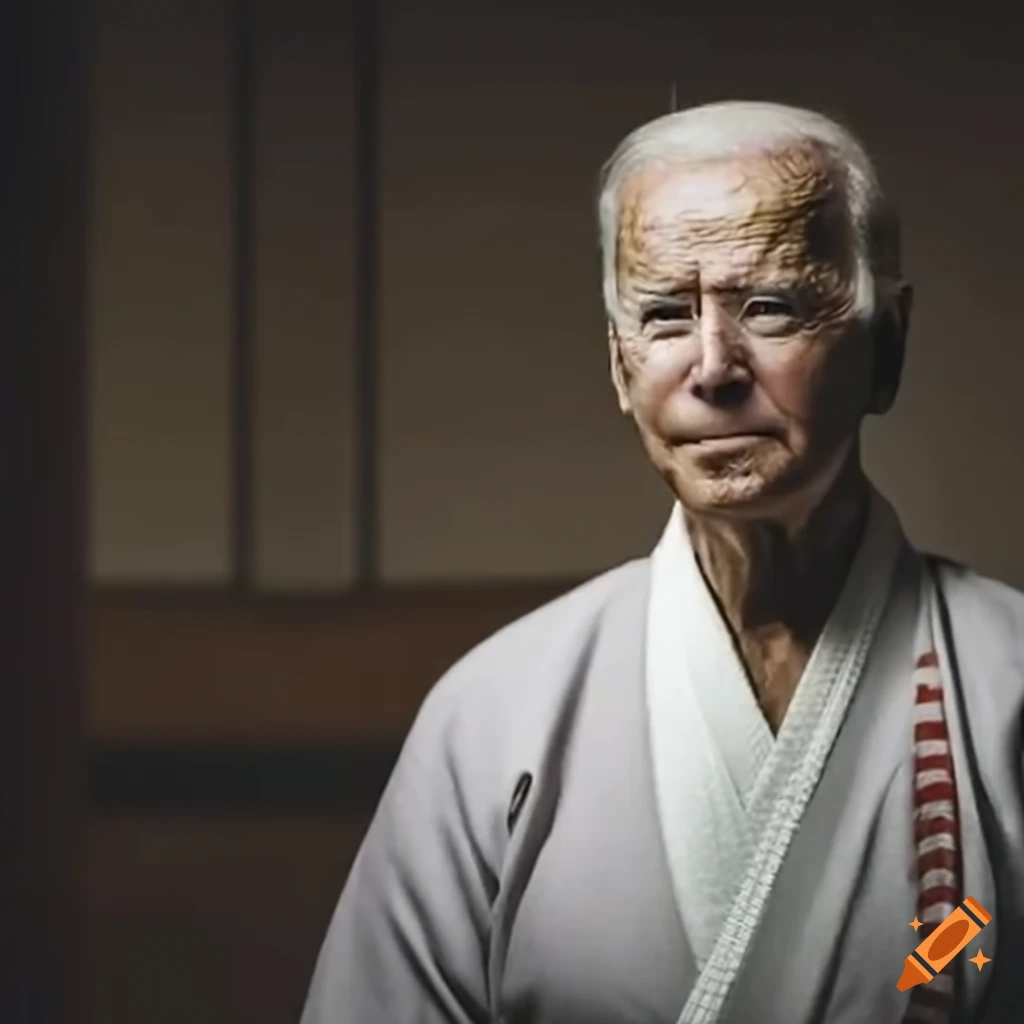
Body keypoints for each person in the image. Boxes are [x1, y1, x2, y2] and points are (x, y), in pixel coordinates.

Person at [300, 101, 1024, 1024]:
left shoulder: (1007, 693)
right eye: (665, 315)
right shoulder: (498, 716)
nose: (714, 366)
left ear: (888, 342)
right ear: (617, 362)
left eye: (769, 306)